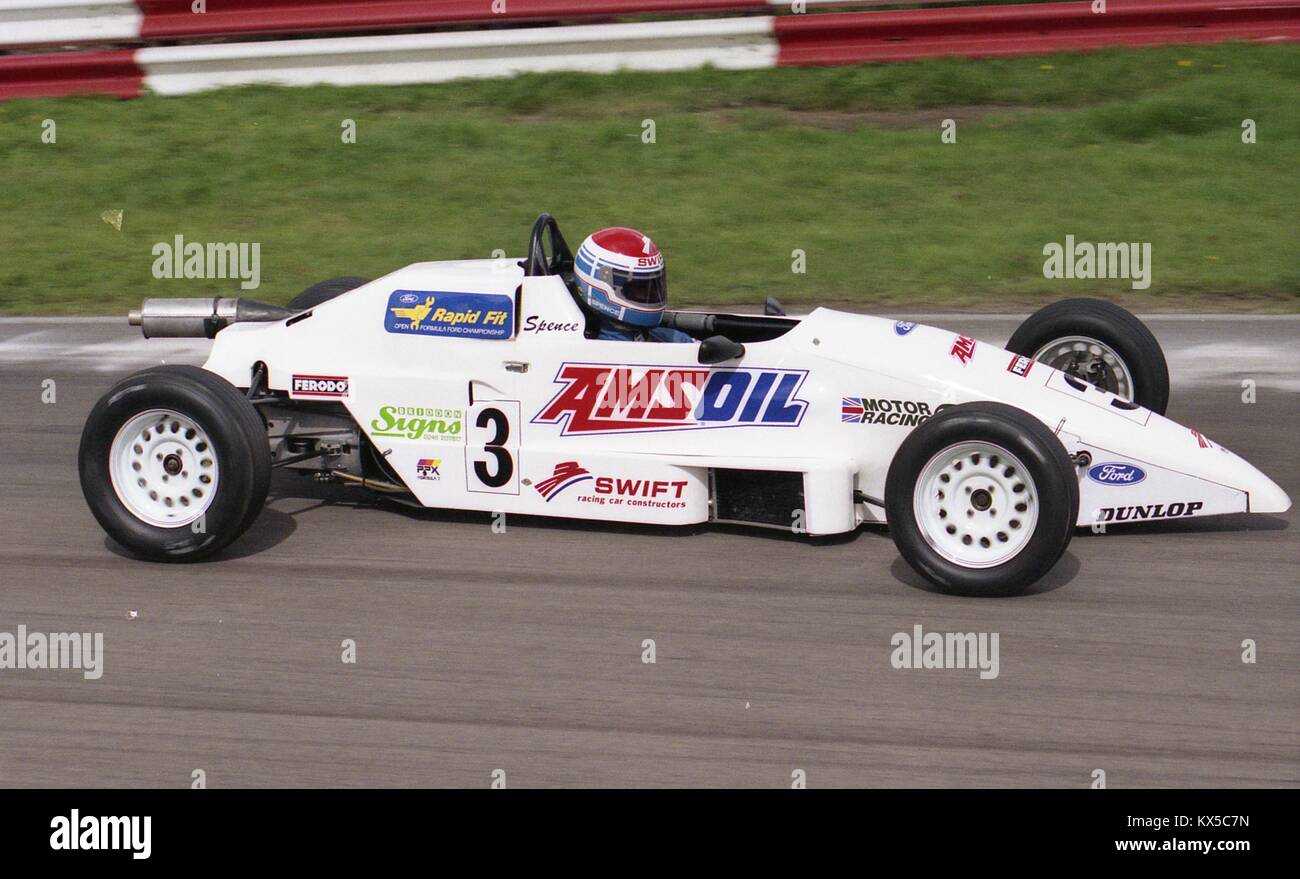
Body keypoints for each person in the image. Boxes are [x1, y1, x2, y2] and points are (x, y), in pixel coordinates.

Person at [572, 227, 693, 342]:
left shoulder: (670, 338)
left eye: (654, 286)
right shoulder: (598, 352)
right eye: (640, 288)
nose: (652, 293)